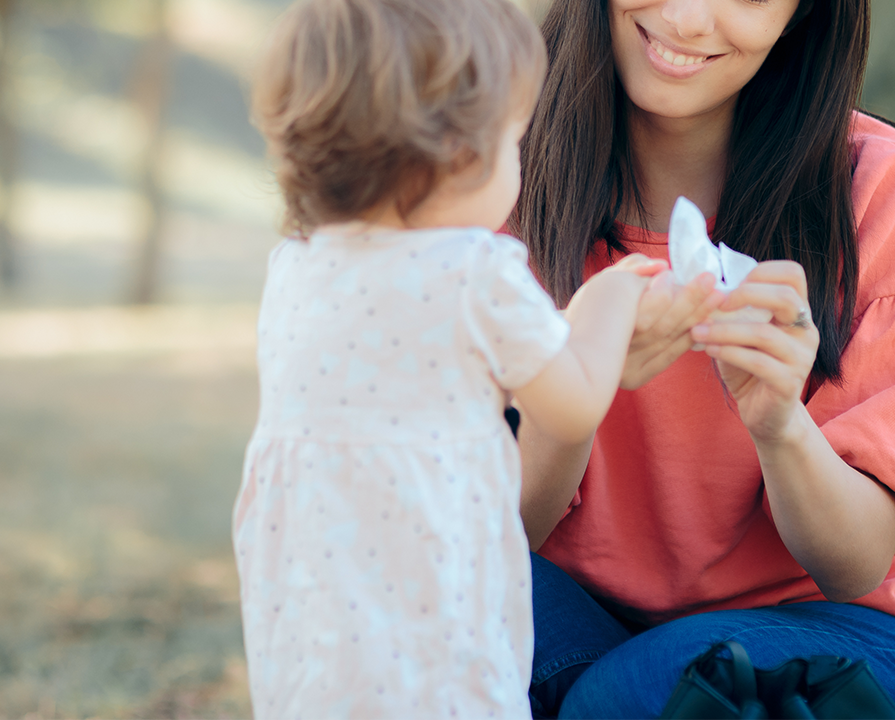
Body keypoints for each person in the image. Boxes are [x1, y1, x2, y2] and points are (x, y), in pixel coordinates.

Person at [508, 0, 895, 718]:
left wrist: (779, 423)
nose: (689, 18)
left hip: (834, 635)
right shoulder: (494, 171)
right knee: (419, 592)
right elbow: (491, 529)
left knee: (643, 689)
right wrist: (582, 386)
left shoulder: (885, 189)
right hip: (578, 625)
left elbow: (854, 568)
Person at [232, 0, 666, 716]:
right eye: (513, 140)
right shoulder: (476, 272)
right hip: (431, 610)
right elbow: (576, 398)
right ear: (461, 154)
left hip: (317, 616)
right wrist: (609, 300)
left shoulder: (297, 267)